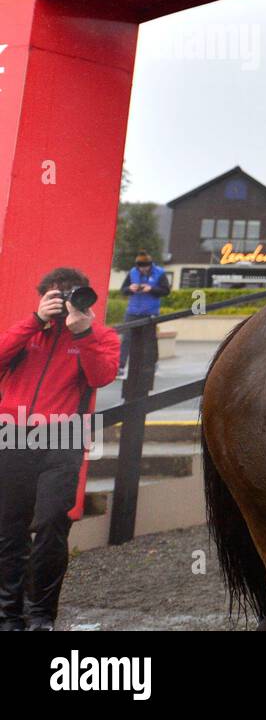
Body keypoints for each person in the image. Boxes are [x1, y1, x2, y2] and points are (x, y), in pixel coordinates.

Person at [0, 268, 120, 630]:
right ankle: (8, 614)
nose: (65, 302)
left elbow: (101, 376)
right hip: (14, 435)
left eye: (71, 295)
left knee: (52, 525)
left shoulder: (101, 336)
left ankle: (40, 614)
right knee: (9, 528)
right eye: (56, 295)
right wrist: (37, 319)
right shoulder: (28, 330)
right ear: (43, 296)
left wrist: (82, 332)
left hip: (63, 438)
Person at [118, 251, 171, 378]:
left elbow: (166, 291)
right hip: (132, 311)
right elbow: (123, 290)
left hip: (150, 312)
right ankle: (120, 367)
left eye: (144, 267)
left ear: (150, 265)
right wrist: (130, 288)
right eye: (140, 267)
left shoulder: (160, 273)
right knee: (126, 339)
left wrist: (151, 289)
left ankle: (153, 365)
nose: (142, 270)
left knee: (150, 339)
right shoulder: (132, 272)